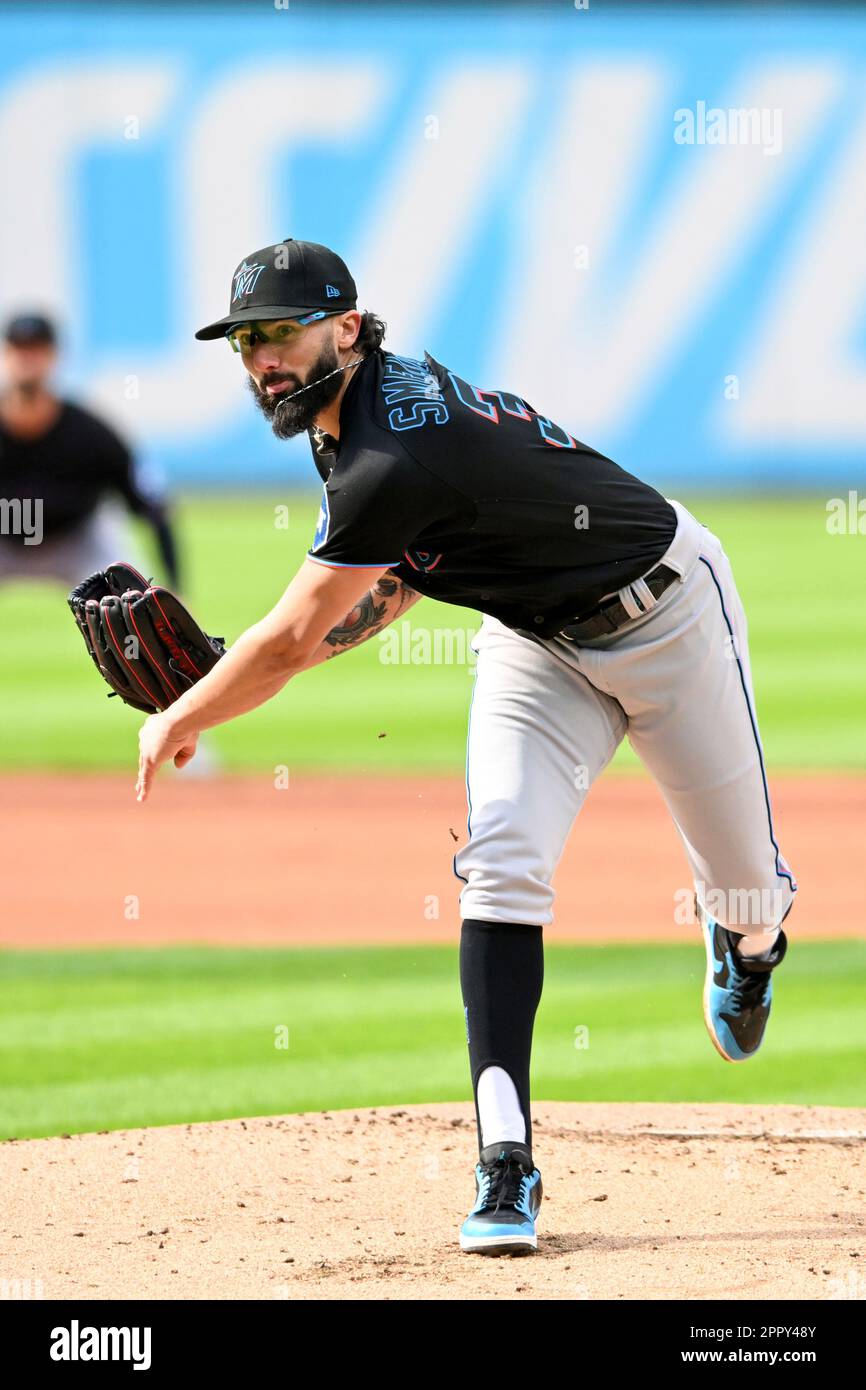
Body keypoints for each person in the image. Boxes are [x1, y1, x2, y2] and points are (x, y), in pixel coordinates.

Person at [135, 238, 796, 1258]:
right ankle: (505, 1159)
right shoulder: (349, 418)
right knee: (499, 862)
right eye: (245, 342)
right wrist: (234, 665)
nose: (261, 357)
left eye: (279, 332)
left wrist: (191, 706)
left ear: (344, 328)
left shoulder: (387, 452)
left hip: (667, 620)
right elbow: (388, 587)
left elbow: (295, 635)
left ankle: (747, 947)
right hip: (534, 644)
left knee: (746, 893)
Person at [0, 313, 179, 588]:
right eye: (20, 347)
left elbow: (153, 507)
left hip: (77, 539)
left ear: (54, 356)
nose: (28, 358)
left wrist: (176, 587)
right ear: (6, 353)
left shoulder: (89, 433)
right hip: (5, 541)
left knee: (133, 604)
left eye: (36, 349)